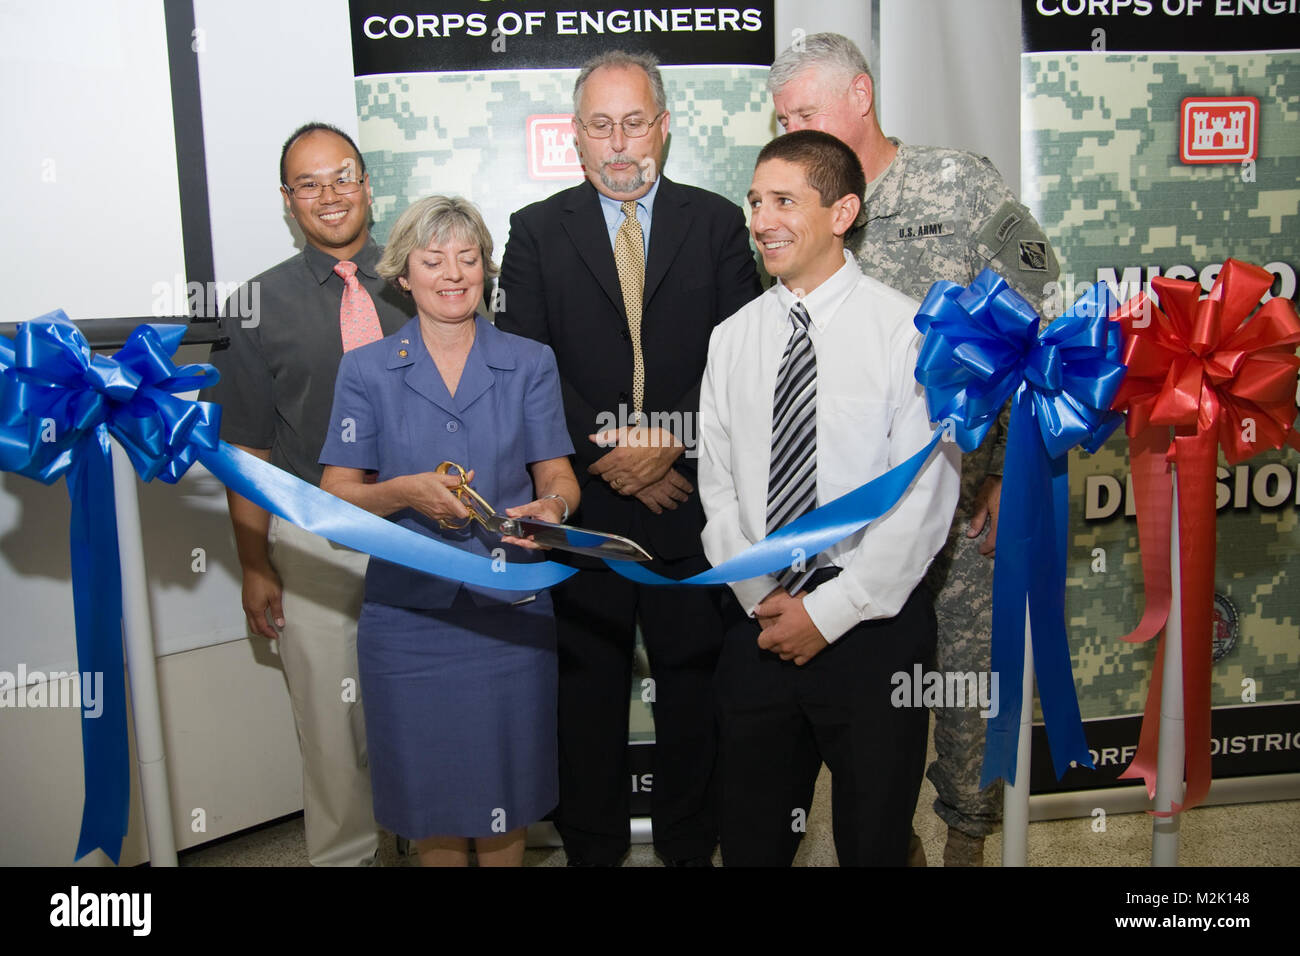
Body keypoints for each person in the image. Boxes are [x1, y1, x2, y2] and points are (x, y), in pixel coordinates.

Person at [768, 32, 1063, 866]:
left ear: (860, 97)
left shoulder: (958, 183)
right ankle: (887, 841)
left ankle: (967, 838)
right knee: (869, 691)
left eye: (806, 111)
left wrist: (1011, 471)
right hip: (856, 513)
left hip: (962, 498)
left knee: (968, 685)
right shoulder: (796, 205)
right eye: (782, 119)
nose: (793, 130)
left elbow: (1039, 312)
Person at [496, 50, 762, 866]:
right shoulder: (535, 231)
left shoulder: (717, 223)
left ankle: (688, 848)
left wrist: (671, 440)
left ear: (664, 127)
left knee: (695, 694)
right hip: (582, 507)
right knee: (584, 698)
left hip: (691, 501)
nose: (618, 143)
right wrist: (615, 455)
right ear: (575, 135)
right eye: (601, 125)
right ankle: (593, 852)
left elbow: (743, 358)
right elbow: (525, 364)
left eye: (634, 122)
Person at [698, 129, 960, 866]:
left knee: (875, 843)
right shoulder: (732, 338)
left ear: (843, 212)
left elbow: (924, 499)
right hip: (759, 626)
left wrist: (829, 612)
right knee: (751, 843)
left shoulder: (909, 333)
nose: (762, 220)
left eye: (784, 201)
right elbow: (718, 489)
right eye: (755, 202)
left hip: (873, 631)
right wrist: (765, 599)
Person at [318, 195, 579, 867]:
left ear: (486, 269)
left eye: (468, 258)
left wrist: (553, 509)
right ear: (403, 274)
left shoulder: (530, 361)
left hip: (511, 609)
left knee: (505, 794)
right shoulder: (366, 369)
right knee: (429, 799)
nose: (453, 273)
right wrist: (401, 493)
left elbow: (558, 475)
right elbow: (335, 498)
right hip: (408, 617)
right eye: (433, 260)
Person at [205, 122, 410, 866]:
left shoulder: (425, 276)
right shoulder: (255, 305)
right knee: (332, 725)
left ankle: (436, 842)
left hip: (427, 535)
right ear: (288, 200)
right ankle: (347, 857)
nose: (329, 195)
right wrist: (255, 562)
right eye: (309, 183)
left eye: (343, 176)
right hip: (315, 541)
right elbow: (247, 451)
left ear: (367, 184)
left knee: (428, 706)